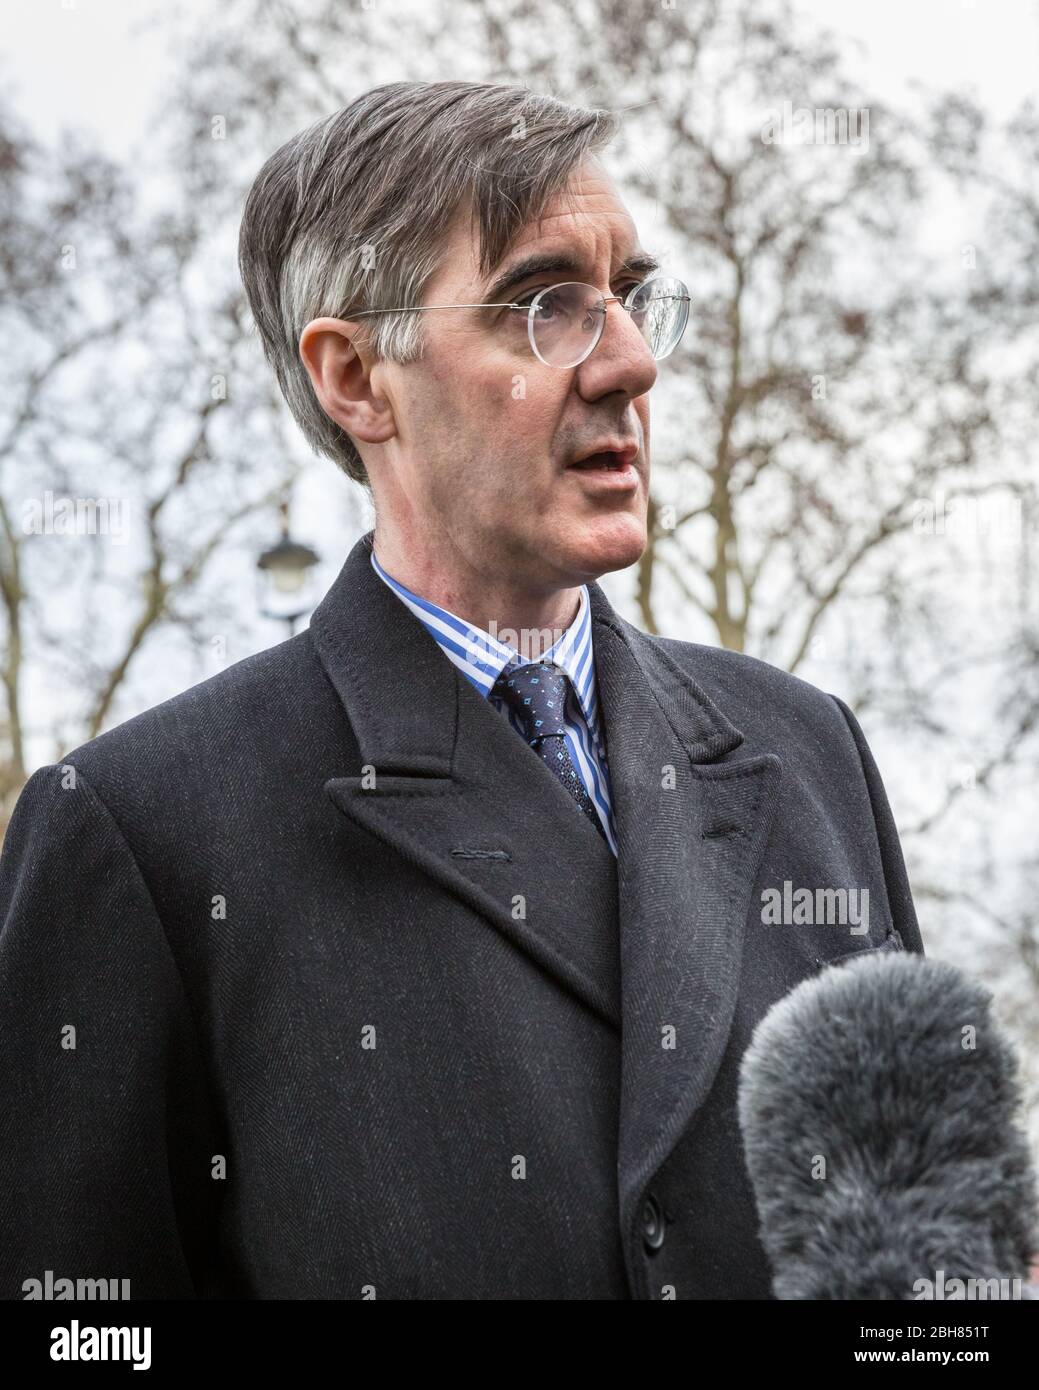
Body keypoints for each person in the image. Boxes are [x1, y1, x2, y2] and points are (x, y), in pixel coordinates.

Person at [0, 80, 923, 1300]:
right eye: (546, 306)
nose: (633, 363)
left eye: (631, 300)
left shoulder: (810, 753)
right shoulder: (138, 829)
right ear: (356, 378)